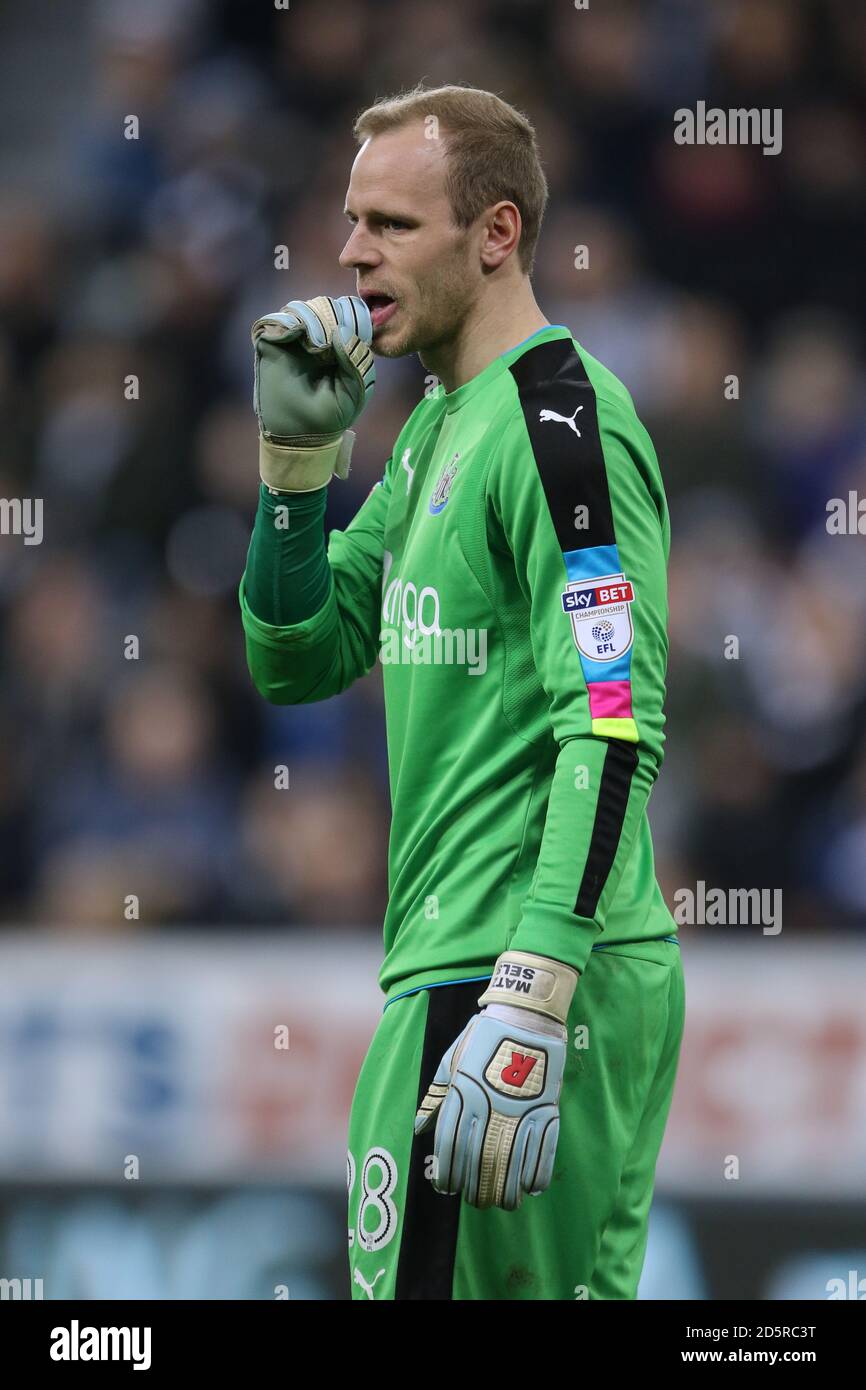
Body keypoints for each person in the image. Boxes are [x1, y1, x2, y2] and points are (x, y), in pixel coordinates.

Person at [238, 83, 684, 1301]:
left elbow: (609, 724)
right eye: (348, 219)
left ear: (493, 235)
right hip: (450, 966)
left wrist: (534, 989)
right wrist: (293, 478)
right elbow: (299, 656)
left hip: (516, 977)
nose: (348, 252)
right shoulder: (438, 426)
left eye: (389, 222)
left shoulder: (557, 427)